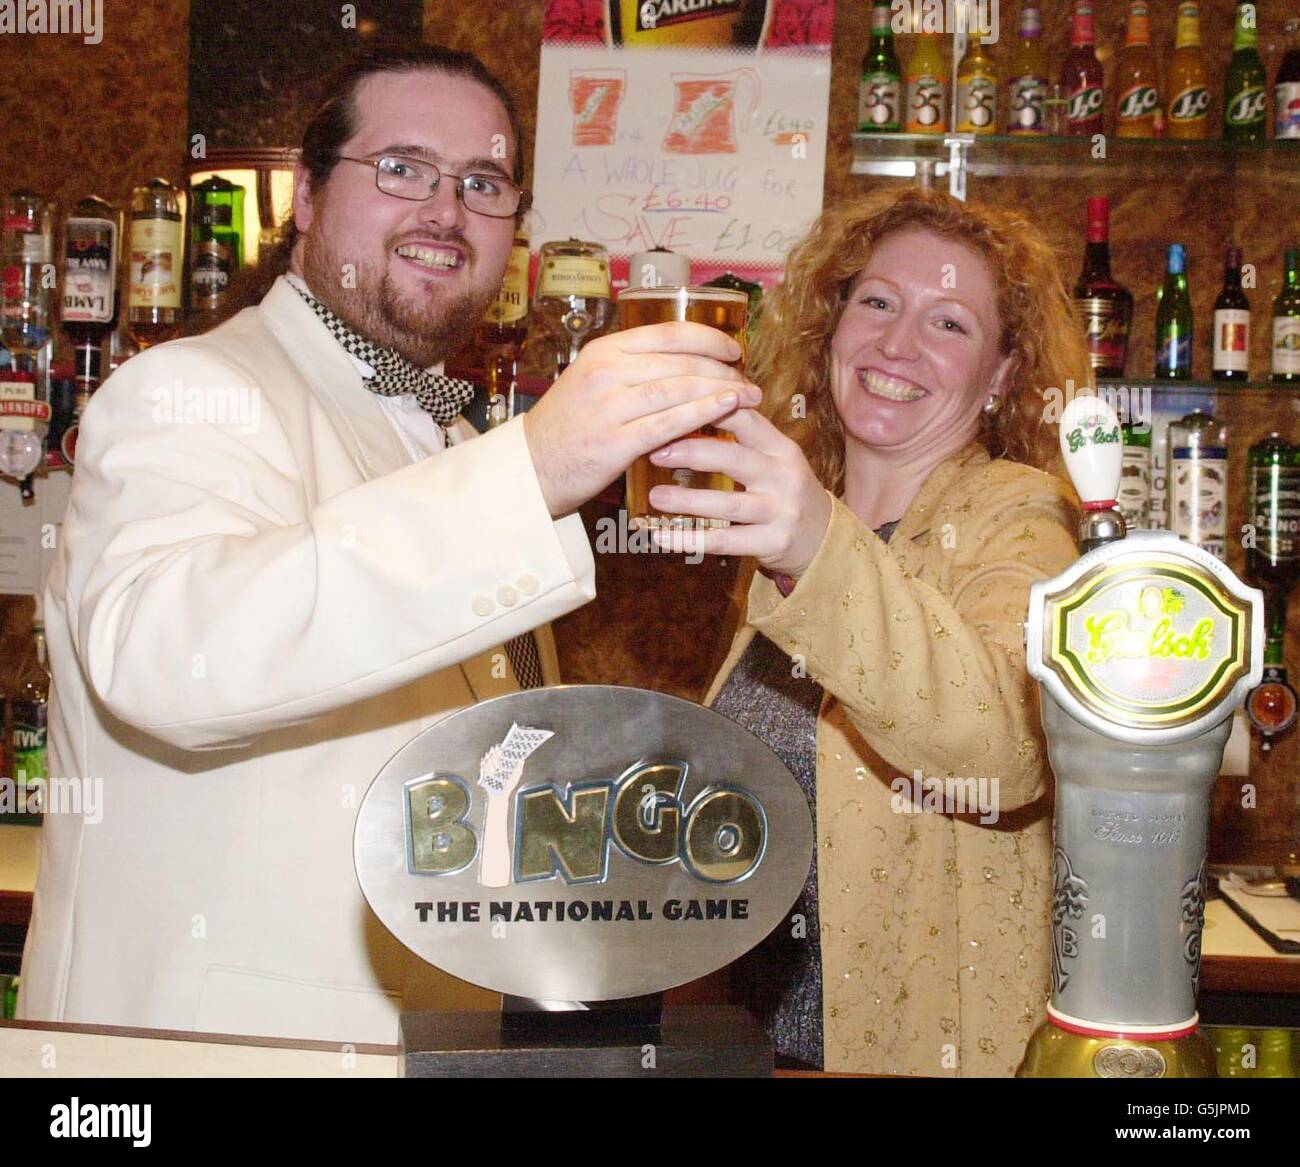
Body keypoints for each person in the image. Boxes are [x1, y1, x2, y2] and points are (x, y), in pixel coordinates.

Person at [16, 44, 759, 1045]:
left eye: (482, 183)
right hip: (218, 1054)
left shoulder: (454, 438)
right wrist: (533, 467)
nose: (445, 211)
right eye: (402, 168)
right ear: (309, 199)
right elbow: (162, 663)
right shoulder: (188, 393)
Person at [652, 187, 1090, 1076]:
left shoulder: (1020, 516)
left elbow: (1005, 747)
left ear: (1003, 374)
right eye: (879, 303)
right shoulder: (793, 531)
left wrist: (813, 541)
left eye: (951, 324)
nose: (898, 344)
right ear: (832, 324)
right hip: (748, 1049)